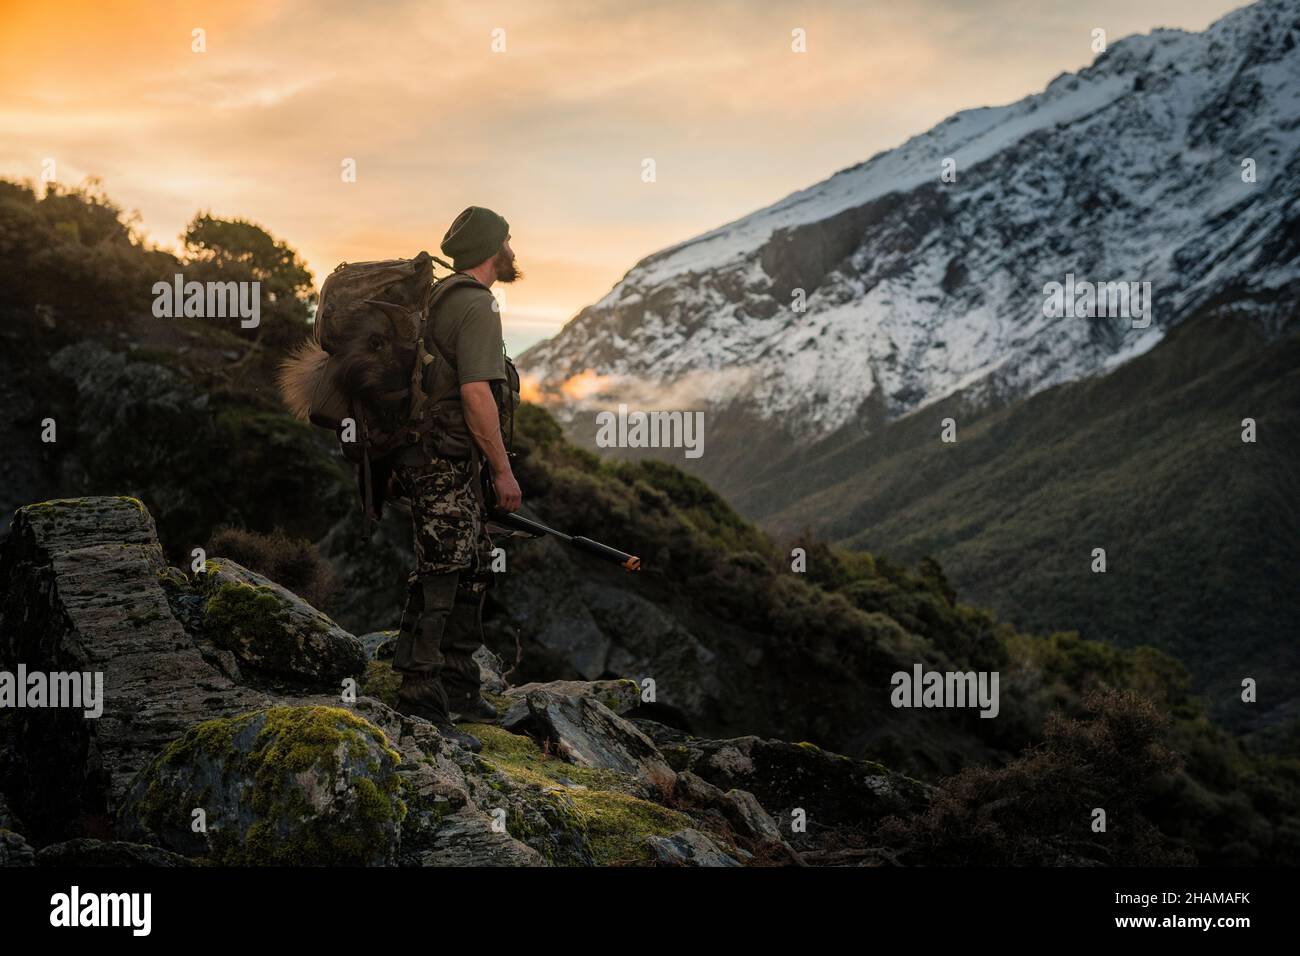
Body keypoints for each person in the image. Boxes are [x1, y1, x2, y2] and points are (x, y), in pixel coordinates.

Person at [389, 206, 523, 753]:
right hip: (441, 461)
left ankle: (460, 686)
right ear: (494, 250)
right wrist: (502, 470)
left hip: (438, 458)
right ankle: (420, 695)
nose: (514, 252)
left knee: (471, 561)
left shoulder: (444, 298)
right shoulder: (477, 306)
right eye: (509, 243)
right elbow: (476, 394)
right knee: (444, 567)